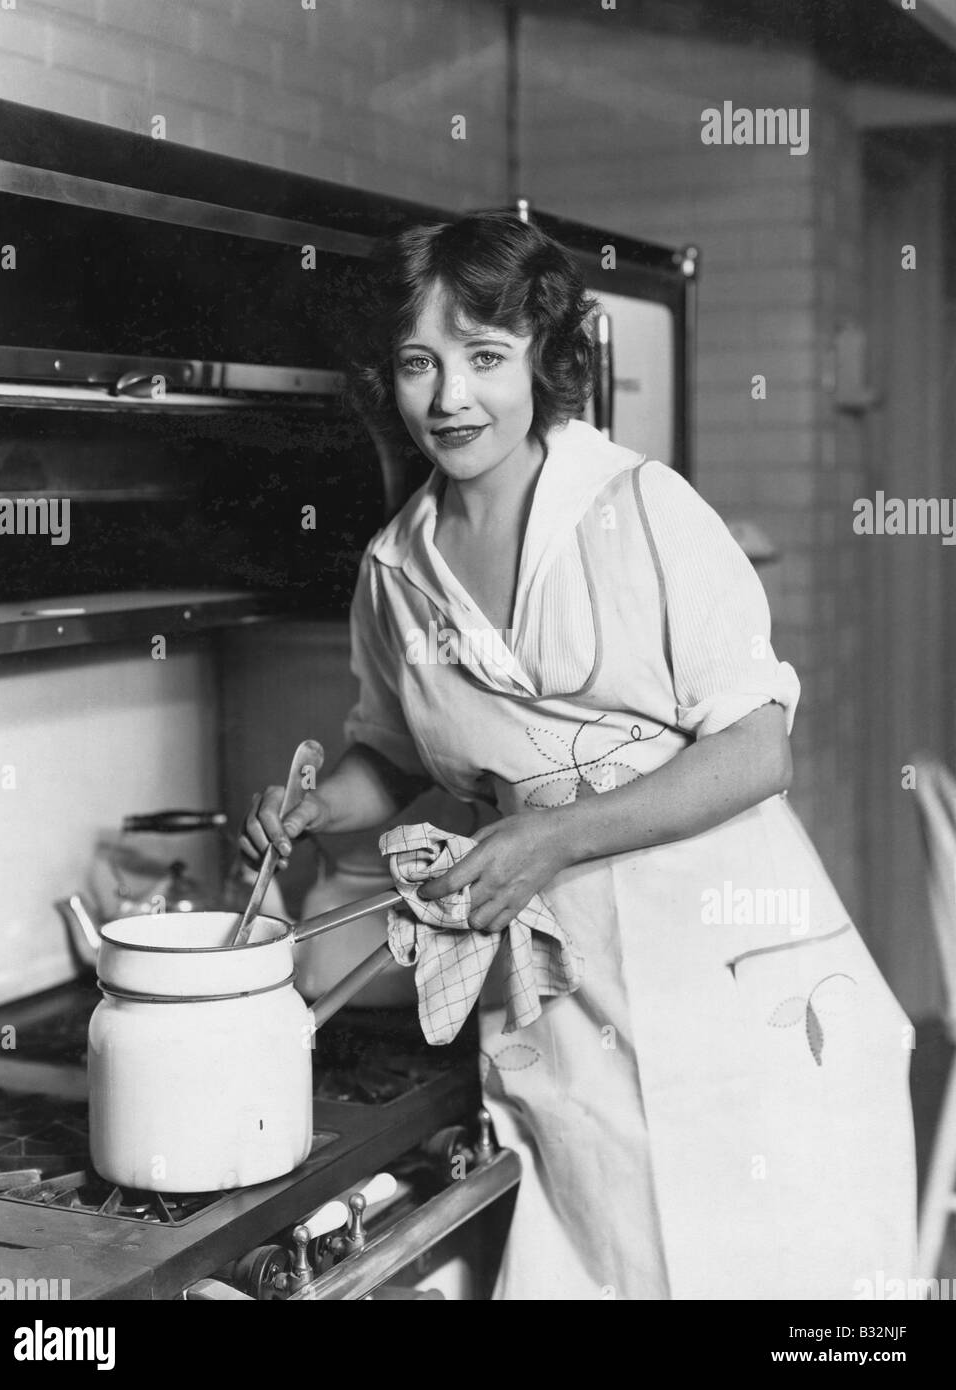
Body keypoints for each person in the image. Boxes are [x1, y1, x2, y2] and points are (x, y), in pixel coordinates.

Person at [241, 210, 917, 1300]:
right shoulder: (395, 568)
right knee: (613, 1259)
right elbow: (392, 750)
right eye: (419, 363)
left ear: (544, 362)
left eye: (484, 357)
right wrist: (321, 807)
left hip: (733, 977)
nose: (450, 396)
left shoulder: (642, 509)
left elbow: (756, 749)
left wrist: (552, 835)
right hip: (567, 1001)